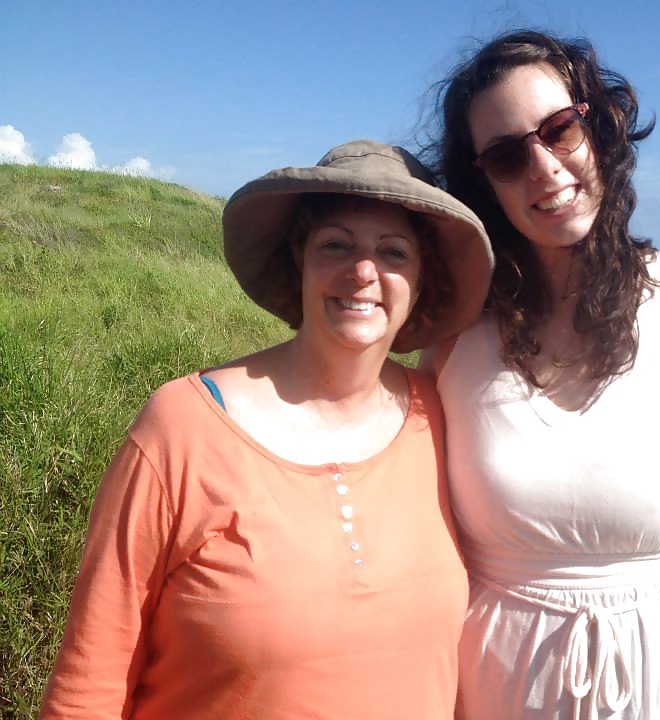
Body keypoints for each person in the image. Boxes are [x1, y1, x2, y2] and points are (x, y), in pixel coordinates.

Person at [39, 141, 494, 720]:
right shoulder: (183, 426)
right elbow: (90, 681)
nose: (363, 271)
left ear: (421, 278)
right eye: (336, 245)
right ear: (300, 258)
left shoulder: (442, 416)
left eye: (393, 252)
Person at [420, 31, 660, 719]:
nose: (543, 168)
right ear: (483, 182)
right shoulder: (458, 331)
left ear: (598, 127)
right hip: (500, 683)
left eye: (559, 129)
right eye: (507, 155)